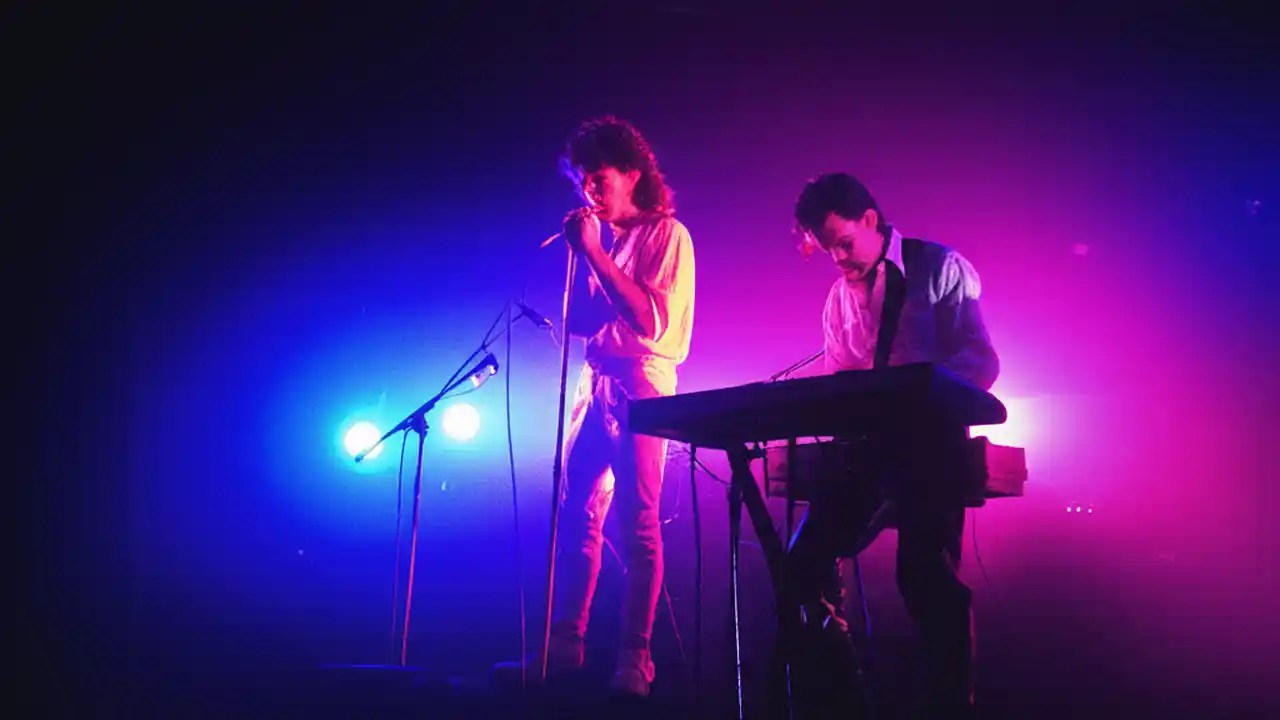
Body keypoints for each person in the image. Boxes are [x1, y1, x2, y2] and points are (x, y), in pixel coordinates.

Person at [787, 172, 998, 719]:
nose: (837, 258)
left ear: (871, 222)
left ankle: (951, 705)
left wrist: (920, 395)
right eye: (827, 247)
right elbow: (838, 385)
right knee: (803, 565)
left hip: (930, 449)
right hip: (867, 454)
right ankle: (844, 701)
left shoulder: (941, 267)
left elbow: (981, 362)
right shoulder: (837, 299)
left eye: (844, 242)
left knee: (925, 578)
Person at [497, 116, 695, 697]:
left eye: (599, 177)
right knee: (575, 511)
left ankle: (636, 661)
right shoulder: (611, 241)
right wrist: (586, 256)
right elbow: (581, 324)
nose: (589, 189)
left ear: (632, 175)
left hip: (640, 385)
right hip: (596, 385)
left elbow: (651, 322)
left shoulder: (668, 235)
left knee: (637, 525)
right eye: (582, 180)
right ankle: (563, 648)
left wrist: (597, 257)